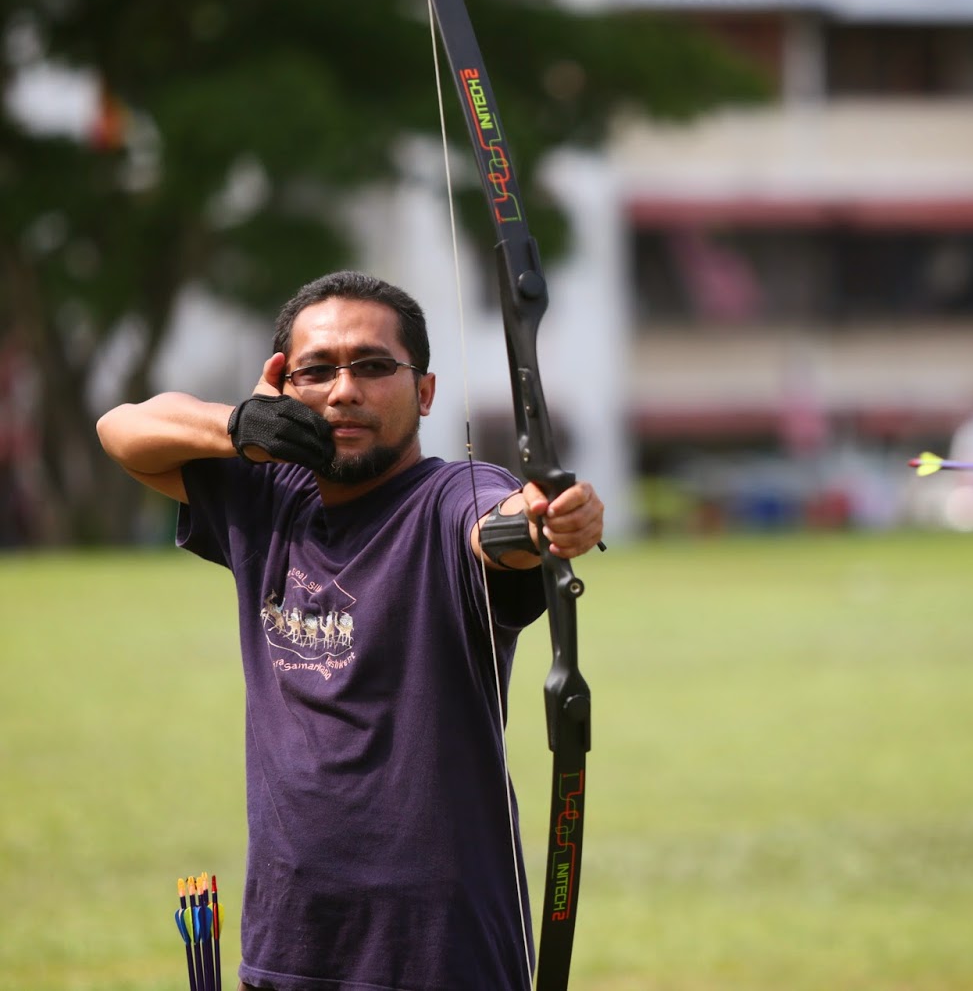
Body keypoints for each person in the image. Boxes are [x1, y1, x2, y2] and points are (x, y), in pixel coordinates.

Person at [97, 270, 605, 991]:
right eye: (318, 371)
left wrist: (545, 522)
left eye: (373, 367)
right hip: (287, 941)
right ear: (284, 383)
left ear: (424, 391)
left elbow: (497, 529)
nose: (344, 391)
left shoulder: (453, 496)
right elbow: (120, 429)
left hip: (438, 953)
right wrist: (238, 427)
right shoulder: (268, 496)